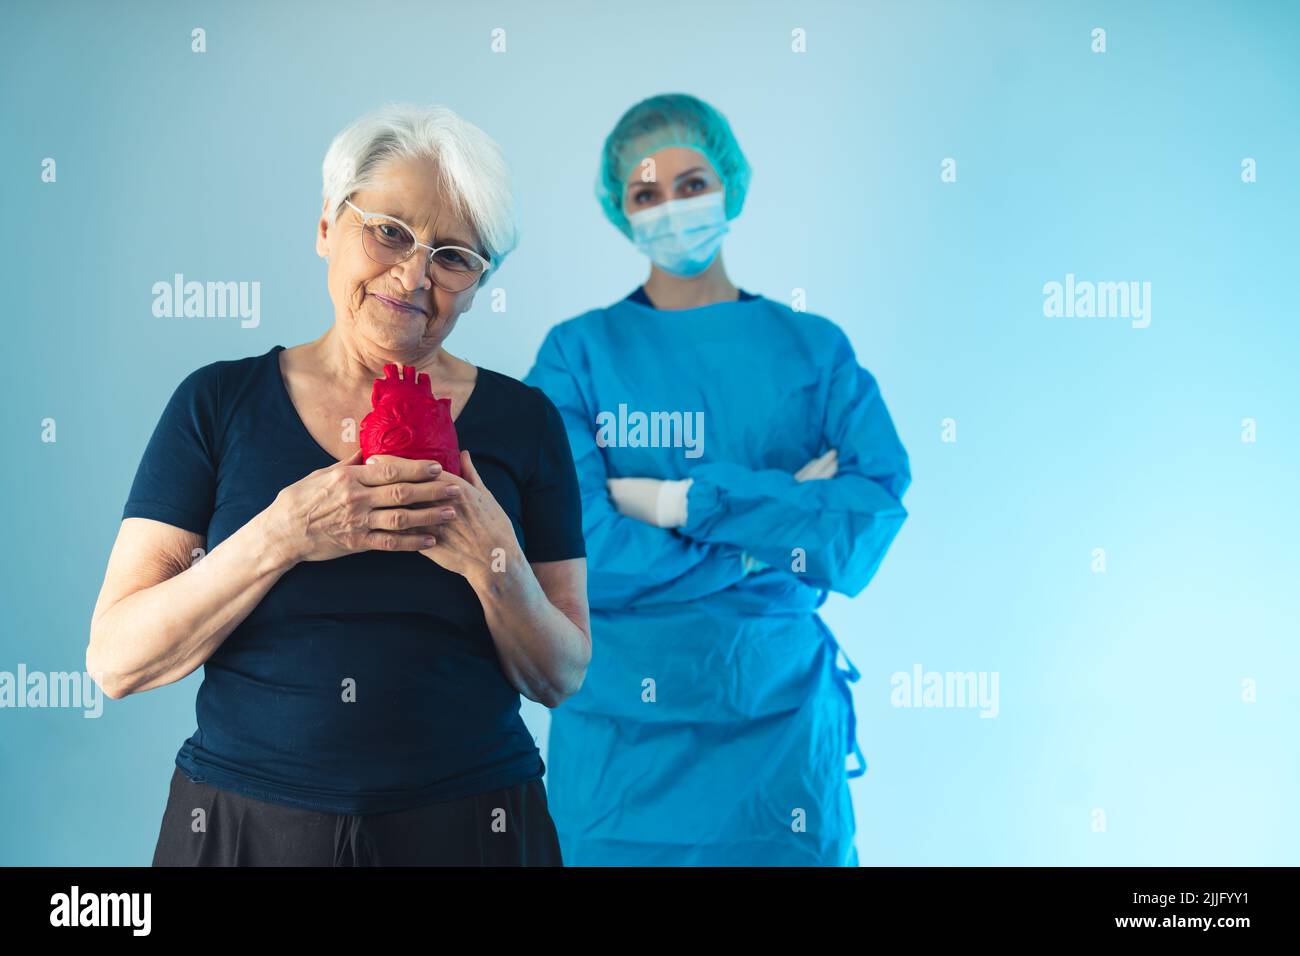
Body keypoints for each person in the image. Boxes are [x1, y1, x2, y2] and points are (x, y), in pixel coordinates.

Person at [87, 103, 590, 866]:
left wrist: (496, 561)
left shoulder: (526, 422)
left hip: (472, 823)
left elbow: (561, 674)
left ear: (478, 281)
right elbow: (117, 660)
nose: (415, 275)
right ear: (328, 226)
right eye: (389, 231)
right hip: (243, 823)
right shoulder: (218, 403)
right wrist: (282, 534)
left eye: (453, 255)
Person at [523, 93, 911, 865]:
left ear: (730, 183)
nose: (672, 208)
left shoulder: (812, 350)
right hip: (620, 761)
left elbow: (866, 518)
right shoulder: (577, 355)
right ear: (619, 210)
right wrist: (770, 532)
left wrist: (674, 505)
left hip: (780, 745)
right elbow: (582, 554)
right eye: (646, 194)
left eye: (692, 183)